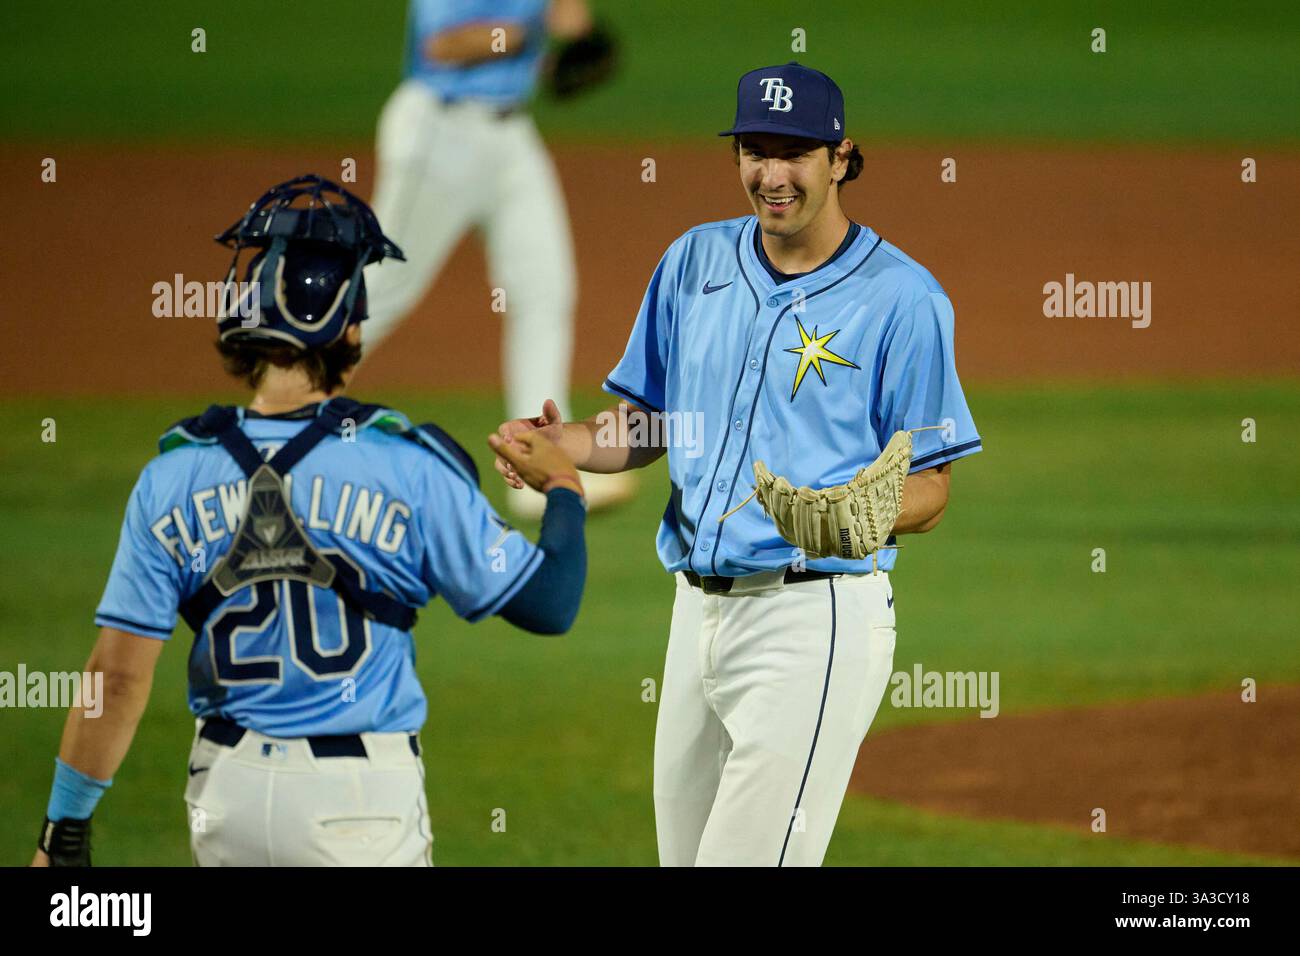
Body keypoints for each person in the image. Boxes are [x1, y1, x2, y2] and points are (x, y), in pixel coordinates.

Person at [493, 64, 983, 866]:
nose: (772, 174)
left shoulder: (904, 300)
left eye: (794, 153)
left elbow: (932, 484)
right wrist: (564, 447)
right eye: (755, 150)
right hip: (695, 619)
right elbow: (649, 422)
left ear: (841, 156)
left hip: (811, 621)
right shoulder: (694, 261)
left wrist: (864, 514)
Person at [33, 175, 587, 867]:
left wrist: (65, 835)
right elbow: (550, 603)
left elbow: (114, 680)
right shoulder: (405, 465)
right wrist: (563, 487)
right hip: (358, 808)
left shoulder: (171, 476)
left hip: (225, 799)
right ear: (349, 329)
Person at [363, 0, 634, 518]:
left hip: (510, 135)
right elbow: (442, 46)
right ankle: (278, 422)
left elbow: (554, 38)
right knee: (376, 293)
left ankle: (537, 466)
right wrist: (537, 25)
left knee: (544, 289)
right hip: (439, 134)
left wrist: (572, 40)